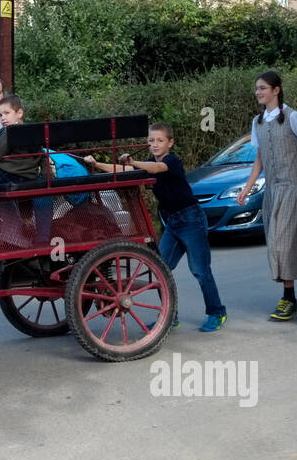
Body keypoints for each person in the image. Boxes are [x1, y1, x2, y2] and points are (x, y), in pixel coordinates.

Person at [86, 123, 228, 332]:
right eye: (151, 140)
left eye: (160, 140)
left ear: (170, 142)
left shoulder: (171, 161)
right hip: (172, 222)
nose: (155, 144)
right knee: (161, 269)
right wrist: (97, 164)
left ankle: (217, 312)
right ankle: (171, 317)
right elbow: (125, 170)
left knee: (200, 270)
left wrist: (134, 161)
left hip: (191, 219)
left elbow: (156, 169)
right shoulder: (149, 162)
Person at [234, 70, 297, 321]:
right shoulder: (258, 121)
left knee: (280, 243)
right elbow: (260, 159)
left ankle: (289, 298)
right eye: (256, 88)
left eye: (263, 88)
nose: (258, 92)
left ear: (276, 90)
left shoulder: (293, 117)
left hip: (294, 187)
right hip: (273, 190)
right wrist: (247, 188)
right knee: (289, 242)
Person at [0, 95, 52, 246]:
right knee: (24, 197)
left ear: (20, 113)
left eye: (7, 113)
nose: (3, 118)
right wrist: (46, 176)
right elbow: (42, 155)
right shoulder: (34, 131)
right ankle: (27, 219)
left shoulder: (10, 131)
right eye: (0, 115)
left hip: (8, 176)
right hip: (29, 178)